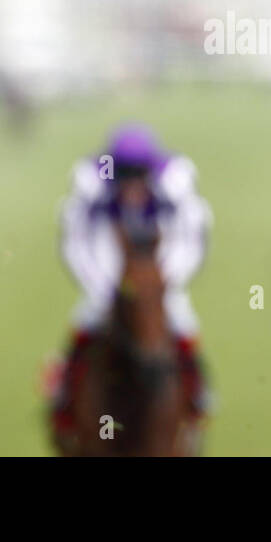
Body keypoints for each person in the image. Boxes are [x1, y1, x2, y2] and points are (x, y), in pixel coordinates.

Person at [50, 125, 211, 430]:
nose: (133, 184)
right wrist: (104, 289)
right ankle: (64, 395)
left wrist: (163, 284)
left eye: (139, 174)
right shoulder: (91, 186)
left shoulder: (174, 186)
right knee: (87, 318)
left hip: (159, 270)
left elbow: (191, 241)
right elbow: (77, 243)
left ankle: (197, 396)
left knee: (181, 319)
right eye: (125, 175)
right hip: (108, 265)